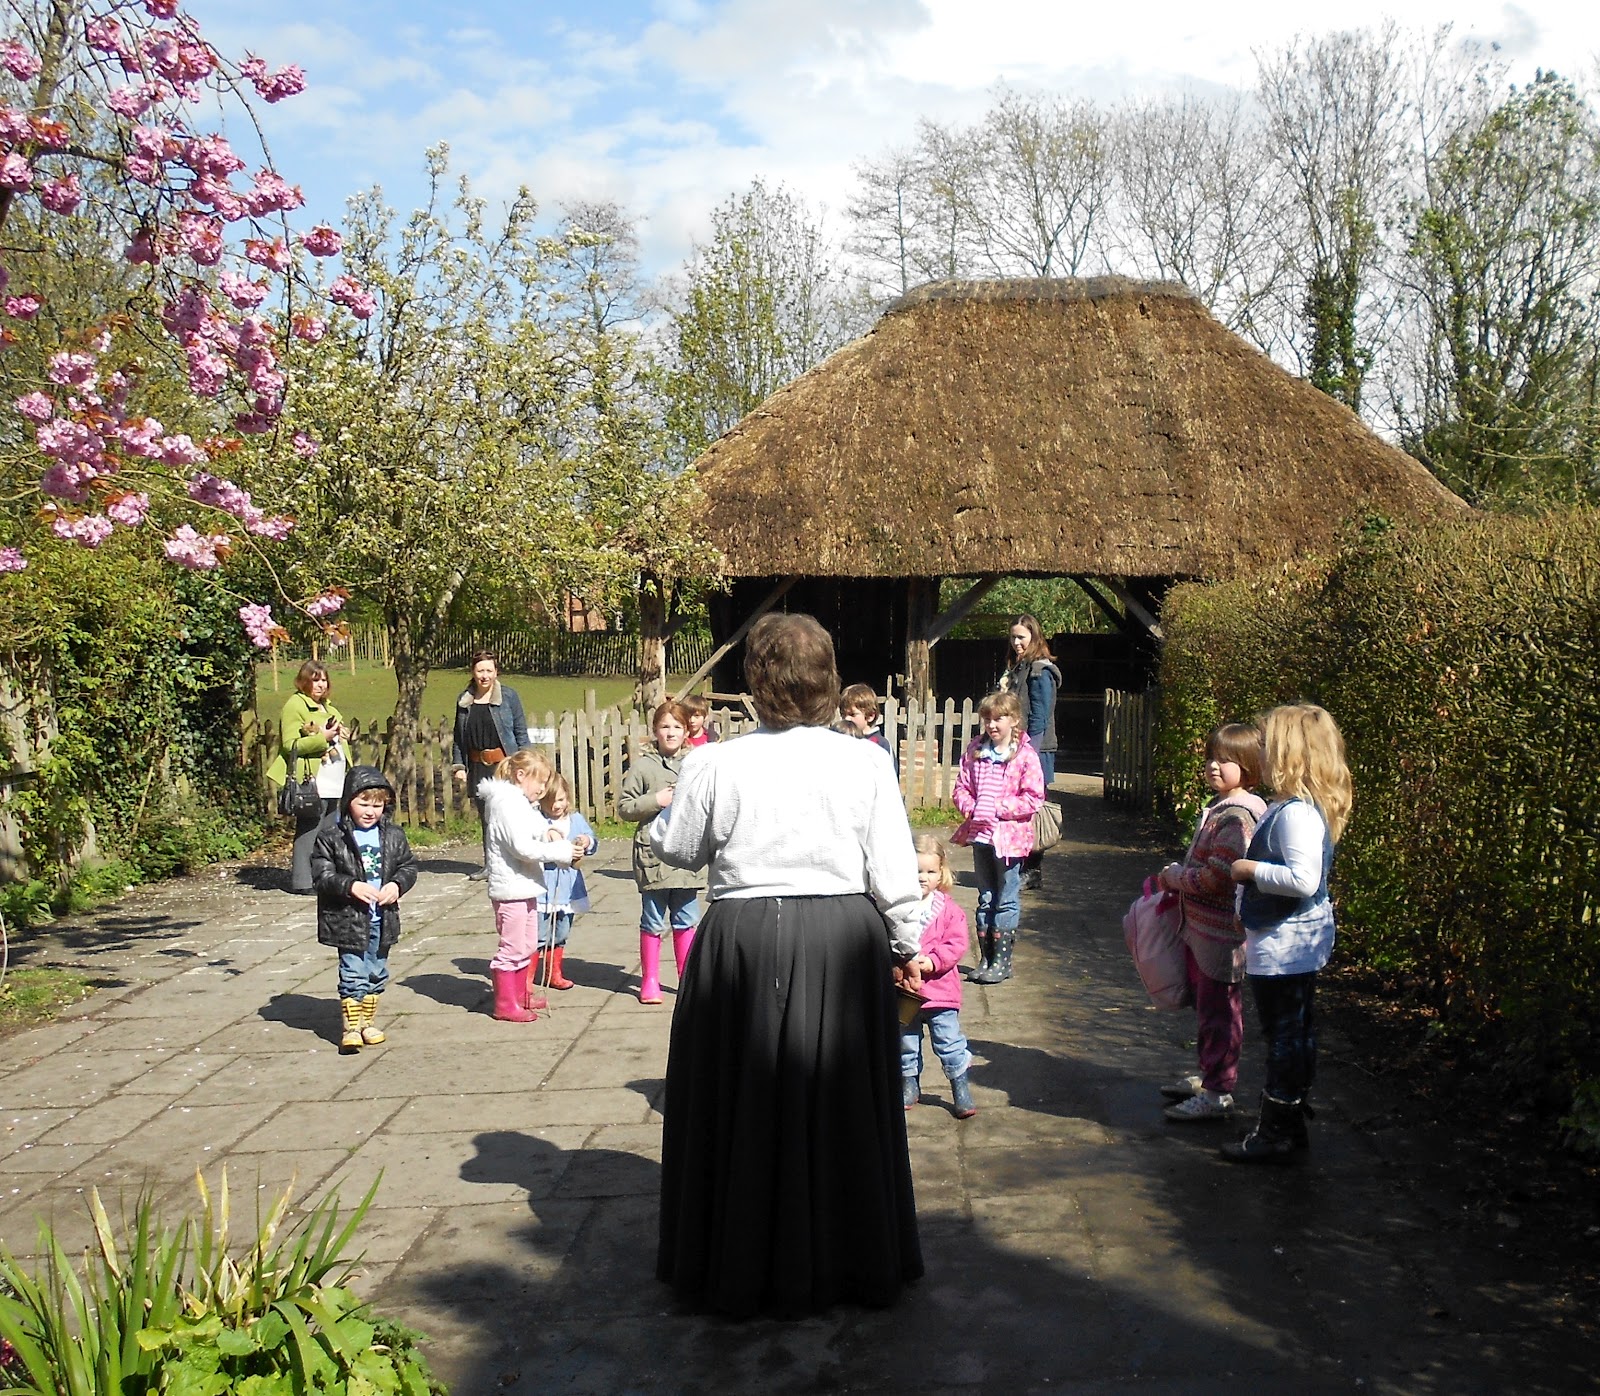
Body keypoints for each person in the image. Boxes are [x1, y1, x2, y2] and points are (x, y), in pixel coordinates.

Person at [650, 612, 924, 1318]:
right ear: (828, 681)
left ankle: (737, 1262)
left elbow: (680, 849)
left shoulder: (715, 760)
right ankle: (851, 1260)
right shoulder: (863, 759)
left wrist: (657, 817)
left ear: (757, 681)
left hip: (743, 935)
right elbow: (893, 868)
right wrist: (909, 943)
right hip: (842, 934)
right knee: (840, 1101)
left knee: (738, 1096)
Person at [1223, 703, 1354, 1164]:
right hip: (1289, 940)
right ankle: (1289, 1118)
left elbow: (1303, 880)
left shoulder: (1296, 814)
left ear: (1288, 752)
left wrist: (1247, 869)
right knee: (1294, 1032)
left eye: (1267, 742)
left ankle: (1277, 1128)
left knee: (1284, 1036)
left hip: (1286, 943)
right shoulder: (1292, 807)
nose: (1260, 749)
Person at [1155, 723, 1268, 1122]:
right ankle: (1209, 1074)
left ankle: (1219, 1091)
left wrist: (1175, 878)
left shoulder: (1238, 817)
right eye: (1211, 758)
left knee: (1220, 1013)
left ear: (1249, 767)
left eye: (1226, 760)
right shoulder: (1223, 808)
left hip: (1221, 936)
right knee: (1207, 1009)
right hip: (1203, 932)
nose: (1214, 766)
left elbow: (1219, 877)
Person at [312, 765, 417, 1053]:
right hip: (348, 919)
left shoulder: (393, 835)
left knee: (377, 971)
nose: (371, 811)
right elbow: (322, 875)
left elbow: (408, 866)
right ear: (349, 803)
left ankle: (368, 1022)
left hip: (381, 918)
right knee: (352, 972)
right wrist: (350, 886)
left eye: (377, 804)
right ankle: (351, 1027)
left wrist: (397, 885)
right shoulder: (332, 837)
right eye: (363, 803)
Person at [476, 748, 579, 1023]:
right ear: (521, 776)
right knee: (512, 947)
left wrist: (549, 832)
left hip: (526, 886)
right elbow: (522, 847)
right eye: (541, 782)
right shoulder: (505, 803)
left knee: (528, 943)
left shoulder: (521, 803)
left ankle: (522, 993)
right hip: (510, 890)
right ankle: (505, 1003)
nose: (544, 788)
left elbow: (534, 828)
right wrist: (561, 852)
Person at [953, 690, 1045, 985]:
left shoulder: (1025, 756)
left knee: (1005, 898)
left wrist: (998, 808)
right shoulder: (975, 750)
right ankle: (986, 957)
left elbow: (1033, 798)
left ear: (1014, 720)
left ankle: (1002, 961)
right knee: (985, 896)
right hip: (981, 835)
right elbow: (961, 788)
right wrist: (973, 808)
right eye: (988, 719)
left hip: (1009, 839)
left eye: (999, 719)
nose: (992, 725)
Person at [618, 700, 704, 1005]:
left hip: (686, 856)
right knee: (653, 920)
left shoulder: (696, 762)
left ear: (687, 730)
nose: (671, 733)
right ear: (655, 730)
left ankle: (686, 979)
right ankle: (650, 980)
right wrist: (656, 799)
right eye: (665, 726)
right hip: (652, 856)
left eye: (677, 727)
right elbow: (625, 807)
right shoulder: (643, 765)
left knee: (686, 920)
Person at [901, 835, 977, 1119]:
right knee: (905, 1042)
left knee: (948, 1042)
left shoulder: (948, 910)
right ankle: (909, 1083)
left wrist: (933, 961)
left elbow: (956, 944)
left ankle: (960, 1086)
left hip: (940, 992)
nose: (923, 878)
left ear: (941, 872)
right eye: (916, 871)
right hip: (905, 991)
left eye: (930, 872)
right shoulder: (897, 909)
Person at [267, 660, 351, 894]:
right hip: (312, 779)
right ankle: (302, 881)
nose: (321, 685)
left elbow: (337, 737)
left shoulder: (329, 707)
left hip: (334, 778)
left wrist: (342, 735)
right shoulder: (295, 705)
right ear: (304, 681)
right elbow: (290, 744)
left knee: (328, 831)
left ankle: (323, 877)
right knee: (309, 830)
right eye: (315, 680)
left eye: (324, 680)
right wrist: (322, 737)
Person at [450, 651, 530, 880]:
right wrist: (459, 766)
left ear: (496, 672)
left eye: (489, 670)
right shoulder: (464, 700)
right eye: (480, 670)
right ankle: (491, 865)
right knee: (486, 819)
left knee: (508, 815)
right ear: (473, 672)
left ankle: (516, 860)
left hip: (504, 765)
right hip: (477, 766)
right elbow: (458, 737)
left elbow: (520, 733)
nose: (484, 676)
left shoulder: (509, 697)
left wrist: (527, 764)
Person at [1003, 615, 1061, 891]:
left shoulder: (1040, 671)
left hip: (1036, 750)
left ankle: (1033, 870)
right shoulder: (1020, 668)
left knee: (1034, 810)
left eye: (1021, 637)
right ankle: (1019, 866)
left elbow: (1040, 716)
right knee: (1019, 809)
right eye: (1013, 637)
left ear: (1034, 637)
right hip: (1018, 748)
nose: (1016, 642)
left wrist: (1030, 756)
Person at [534, 772, 595, 992]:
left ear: (567, 797)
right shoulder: (538, 821)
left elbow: (592, 840)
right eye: (551, 802)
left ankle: (554, 973)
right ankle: (528, 978)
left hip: (569, 887)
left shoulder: (576, 820)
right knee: (538, 934)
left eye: (560, 799)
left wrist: (586, 841)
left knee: (561, 931)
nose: (557, 805)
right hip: (544, 887)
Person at [841, 681, 898, 772]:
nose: (847, 719)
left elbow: (890, 777)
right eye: (843, 714)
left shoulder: (881, 745)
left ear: (870, 716)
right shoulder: (842, 740)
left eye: (853, 714)